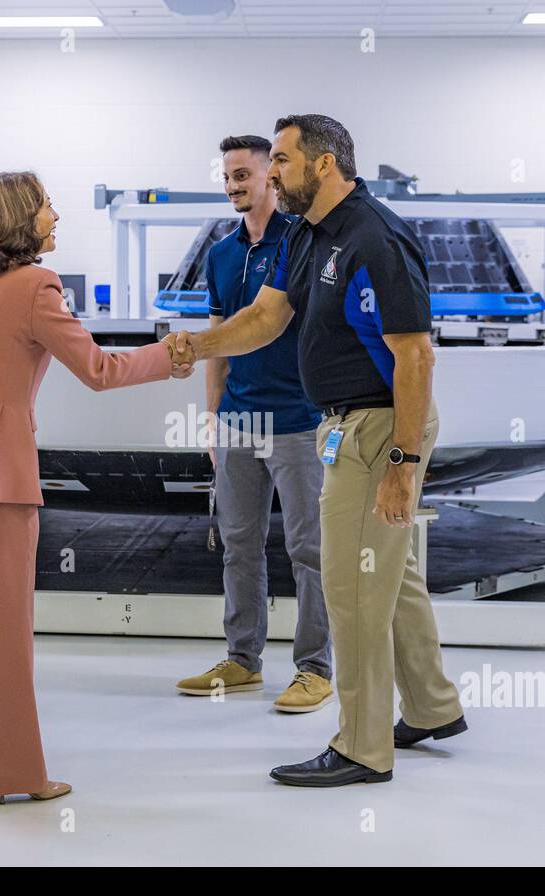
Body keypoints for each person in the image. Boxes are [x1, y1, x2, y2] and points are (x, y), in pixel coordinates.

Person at [0, 171, 194, 801]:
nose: (56, 215)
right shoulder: (35, 287)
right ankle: (16, 774)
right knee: (9, 621)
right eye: (48, 205)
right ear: (21, 217)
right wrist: (172, 356)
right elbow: (99, 370)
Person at [172, 114, 465, 788]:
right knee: (392, 579)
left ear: (324, 163)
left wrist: (402, 462)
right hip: (347, 425)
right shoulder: (309, 235)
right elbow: (268, 316)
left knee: (351, 588)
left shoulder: (376, 237)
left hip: (380, 427)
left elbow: (416, 355)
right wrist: (191, 348)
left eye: (280, 159)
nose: (270, 173)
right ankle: (430, 706)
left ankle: (363, 746)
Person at [174, 134, 333, 713]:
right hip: (241, 419)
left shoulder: (304, 241)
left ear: (272, 176)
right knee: (239, 544)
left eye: (243, 174)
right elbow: (218, 345)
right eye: (227, 176)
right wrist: (212, 420)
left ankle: (315, 669)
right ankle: (242, 659)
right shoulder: (220, 253)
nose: (232, 185)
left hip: (300, 419)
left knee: (308, 548)